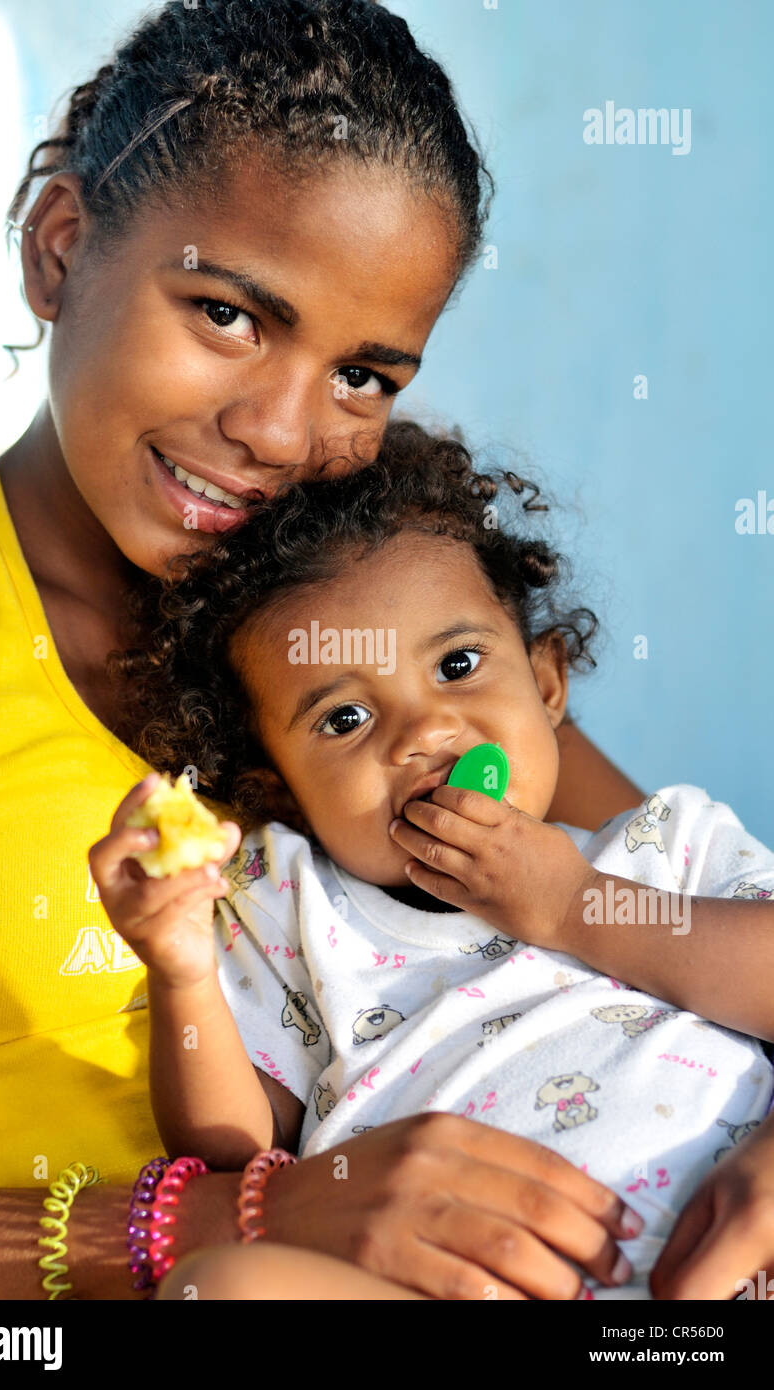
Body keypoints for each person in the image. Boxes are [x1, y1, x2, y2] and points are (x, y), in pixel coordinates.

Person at [0, 0, 653, 1301]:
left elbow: (688, 918)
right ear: (60, 247)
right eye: (228, 314)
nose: (278, 429)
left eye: (363, 375)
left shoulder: (390, 643)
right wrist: (208, 1220)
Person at [92, 422, 774, 1300]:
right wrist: (181, 969)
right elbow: (238, 1151)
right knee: (228, 1284)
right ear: (282, 793)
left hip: (729, 1271)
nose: (423, 732)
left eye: (457, 664)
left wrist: (572, 907)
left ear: (547, 683)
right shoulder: (288, 910)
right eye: (344, 719)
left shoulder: (664, 846)